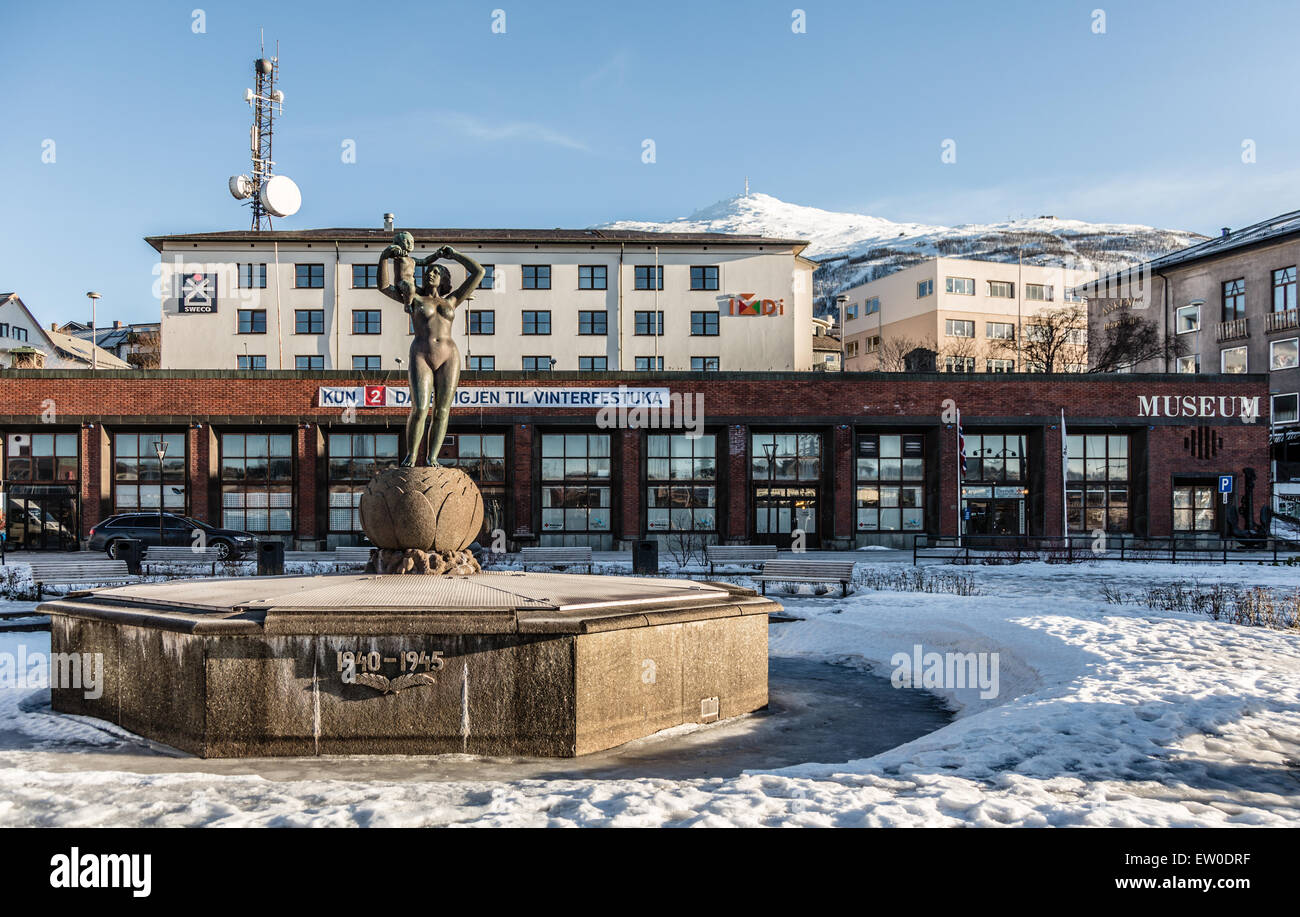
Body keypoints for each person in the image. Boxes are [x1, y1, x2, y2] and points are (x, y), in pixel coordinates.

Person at [378, 237, 486, 466]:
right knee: (419, 408)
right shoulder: (413, 297)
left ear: (444, 278)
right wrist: (384, 258)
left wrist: (454, 254)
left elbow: (479, 272)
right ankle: (412, 454)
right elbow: (384, 287)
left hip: (449, 354)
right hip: (421, 353)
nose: (431, 273)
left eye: (436, 271)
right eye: (429, 271)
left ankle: (433, 457)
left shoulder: (453, 300)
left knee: (443, 409)